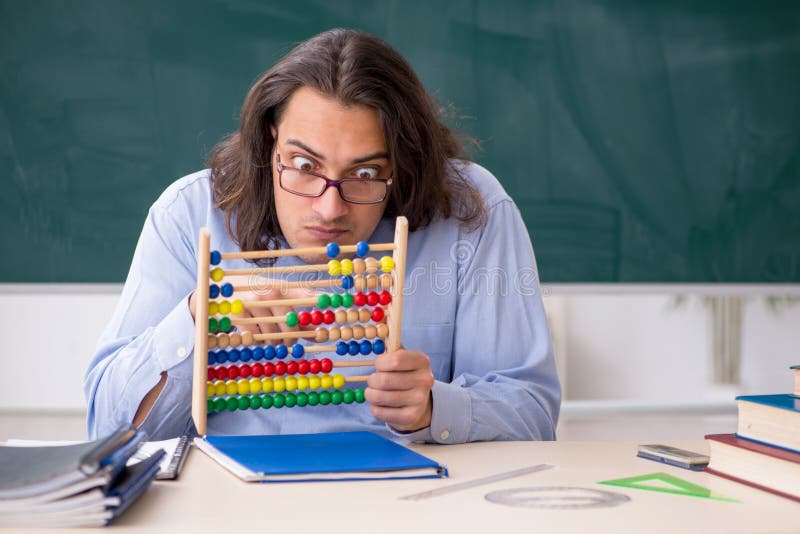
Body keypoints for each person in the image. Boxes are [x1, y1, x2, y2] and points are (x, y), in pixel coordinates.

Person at [84, 28, 561, 443]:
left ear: (405, 162)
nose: (330, 207)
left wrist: (438, 409)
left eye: (367, 172)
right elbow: (108, 426)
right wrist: (197, 319)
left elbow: (534, 414)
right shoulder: (190, 214)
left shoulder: (469, 211)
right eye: (305, 166)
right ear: (271, 135)